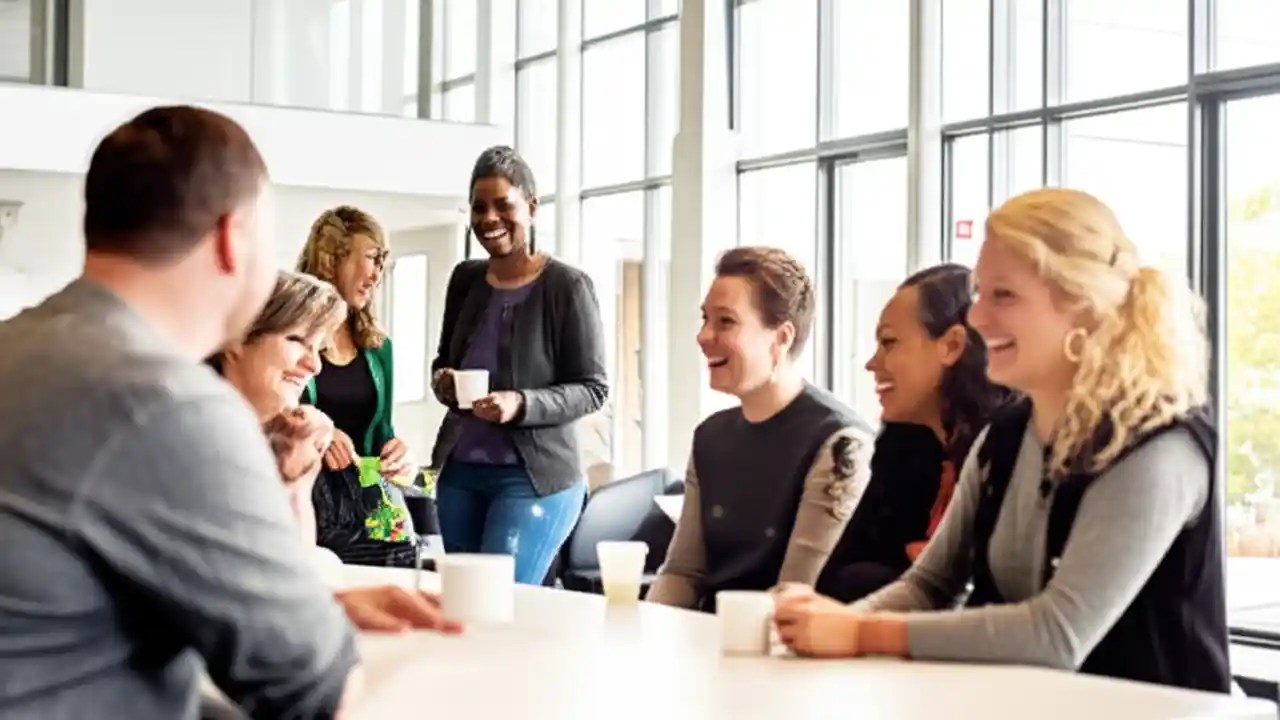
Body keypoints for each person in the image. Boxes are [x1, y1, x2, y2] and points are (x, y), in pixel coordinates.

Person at [0, 105, 455, 719]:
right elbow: (311, 687)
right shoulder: (168, 405)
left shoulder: (19, 348)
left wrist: (301, 608)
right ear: (229, 238)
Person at [774, 189, 1229, 693]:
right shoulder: (1007, 436)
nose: (977, 319)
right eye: (979, 293)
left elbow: (1058, 634)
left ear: (1081, 306)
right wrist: (822, 639)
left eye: (1004, 296)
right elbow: (928, 585)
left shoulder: (1158, 445)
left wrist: (860, 633)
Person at [647, 247, 875, 611]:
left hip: (779, 651)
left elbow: (793, 594)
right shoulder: (710, 436)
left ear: (782, 338)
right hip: (707, 643)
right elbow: (681, 573)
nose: (703, 336)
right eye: (705, 319)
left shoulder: (840, 444)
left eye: (726, 322)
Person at [431, 145, 607, 585]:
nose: (489, 218)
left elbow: (593, 388)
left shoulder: (568, 287)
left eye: (502, 205)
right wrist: (445, 383)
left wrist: (520, 403)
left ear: (531, 206)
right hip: (460, 474)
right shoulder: (465, 279)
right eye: (478, 207)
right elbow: (442, 364)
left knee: (499, 602)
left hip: (535, 479)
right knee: (463, 606)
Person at [817, 264, 1014, 602]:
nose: (871, 363)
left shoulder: (1010, 444)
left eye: (888, 342)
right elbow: (834, 582)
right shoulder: (903, 444)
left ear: (951, 346)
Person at [210, 270, 420, 568]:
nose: (315, 365)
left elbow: (292, 569)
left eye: (318, 348)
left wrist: (296, 482)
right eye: (297, 340)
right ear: (236, 339)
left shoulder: (271, 444)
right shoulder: (199, 441)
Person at [297, 206, 417, 547]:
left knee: (397, 563)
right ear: (330, 260)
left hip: (367, 502)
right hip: (306, 505)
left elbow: (382, 435)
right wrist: (318, 431)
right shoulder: (289, 335)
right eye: (372, 257)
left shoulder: (380, 348)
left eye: (384, 261)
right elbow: (264, 413)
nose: (378, 273)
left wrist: (398, 456)